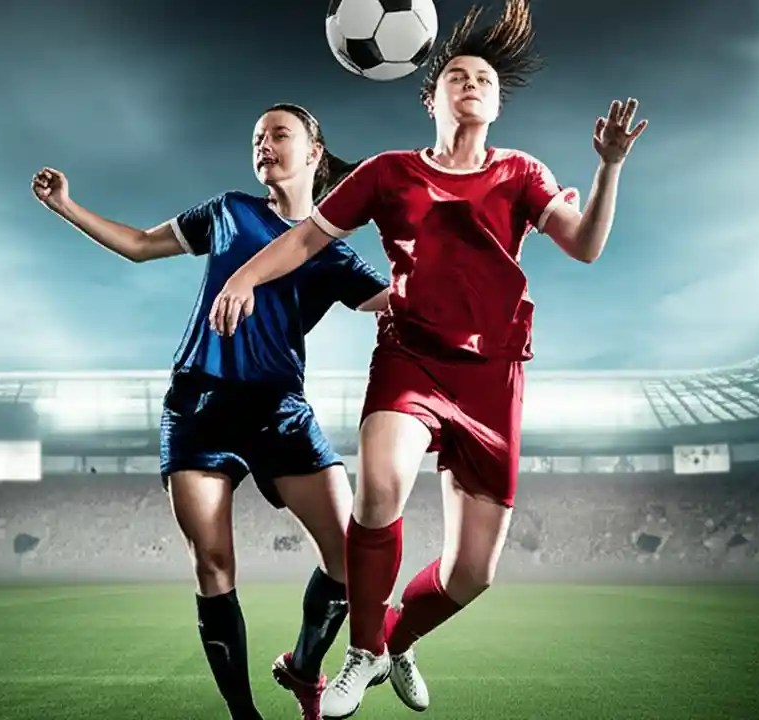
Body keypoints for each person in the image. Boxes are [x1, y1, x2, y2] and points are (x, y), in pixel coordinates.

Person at [207, 2, 648, 717]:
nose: (470, 83)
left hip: (493, 377)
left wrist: (609, 169)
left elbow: (586, 244)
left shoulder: (522, 173)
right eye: (456, 76)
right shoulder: (388, 173)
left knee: (472, 575)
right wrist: (243, 275)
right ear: (431, 95)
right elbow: (307, 239)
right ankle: (358, 655)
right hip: (411, 361)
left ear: (496, 103)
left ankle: (395, 641)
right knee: (377, 488)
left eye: (483, 78)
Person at [31, 103, 389, 720]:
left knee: (350, 560)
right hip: (199, 406)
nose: (264, 144)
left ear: (314, 153)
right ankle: (243, 717)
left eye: (279, 134)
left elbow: (392, 304)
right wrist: (67, 206)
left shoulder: (331, 252)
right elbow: (142, 245)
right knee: (214, 563)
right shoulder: (228, 210)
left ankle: (304, 667)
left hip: (279, 412)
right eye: (256, 136)